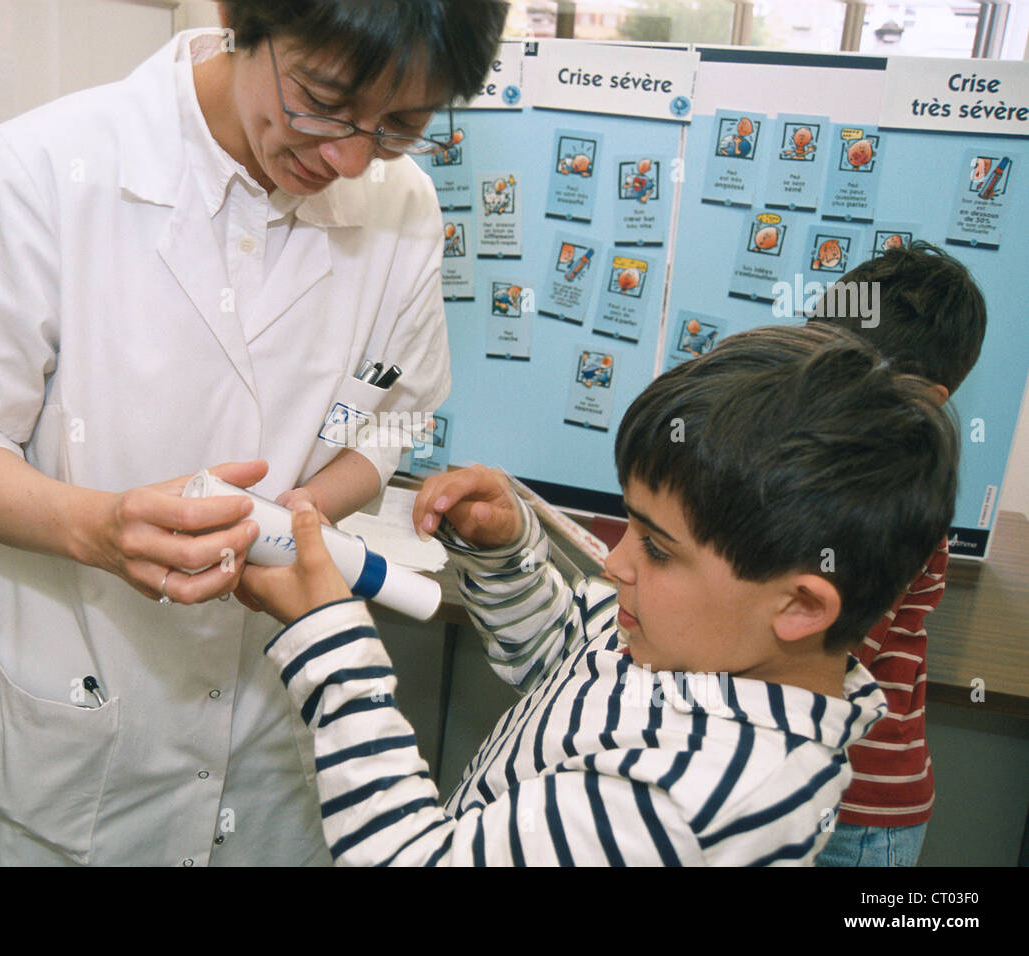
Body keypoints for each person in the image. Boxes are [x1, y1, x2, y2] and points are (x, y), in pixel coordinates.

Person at [0, 0, 509, 865]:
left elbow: (379, 426)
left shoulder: (403, 210)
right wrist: (97, 528)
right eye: (321, 100)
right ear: (246, 18)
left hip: (274, 754)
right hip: (72, 753)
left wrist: (305, 512)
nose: (350, 157)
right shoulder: (46, 165)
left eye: (401, 124)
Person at [238, 324, 959, 865]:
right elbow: (567, 663)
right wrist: (506, 554)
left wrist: (332, 648)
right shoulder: (699, 650)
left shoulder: (689, 796)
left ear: (800, 606)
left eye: (656, 546)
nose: (615, 565)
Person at [808, 241, 987, 867]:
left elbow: (828, 653)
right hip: (804, 791)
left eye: (846, 373)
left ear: (925, 400)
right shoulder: (824, 477)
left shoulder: (895, 505)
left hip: (857, 818)